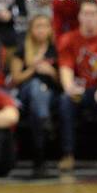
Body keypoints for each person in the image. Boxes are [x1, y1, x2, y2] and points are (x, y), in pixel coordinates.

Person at [57, 0, 97, 172]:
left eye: (93, 14)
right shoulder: (68, 38)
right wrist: (69, 87)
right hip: (79, 89)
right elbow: (65, 66)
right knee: (65, 101)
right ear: (79, 16)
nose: (89, 18)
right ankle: (67, 154)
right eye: (85, 13)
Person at [10, 13, 60, 174]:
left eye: (45, 26)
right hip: (26, 94)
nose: (41, 30)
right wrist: (33, 69)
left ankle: (42, 118)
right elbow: (16, 79)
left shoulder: (56, 50)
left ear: (50, 29)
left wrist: (51, 72)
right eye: (37, 26)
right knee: (35, 87)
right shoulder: (22, 49)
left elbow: (64, 82)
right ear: (31, 30)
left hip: (51, 94)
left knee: (40, 97)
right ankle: (45, 119)